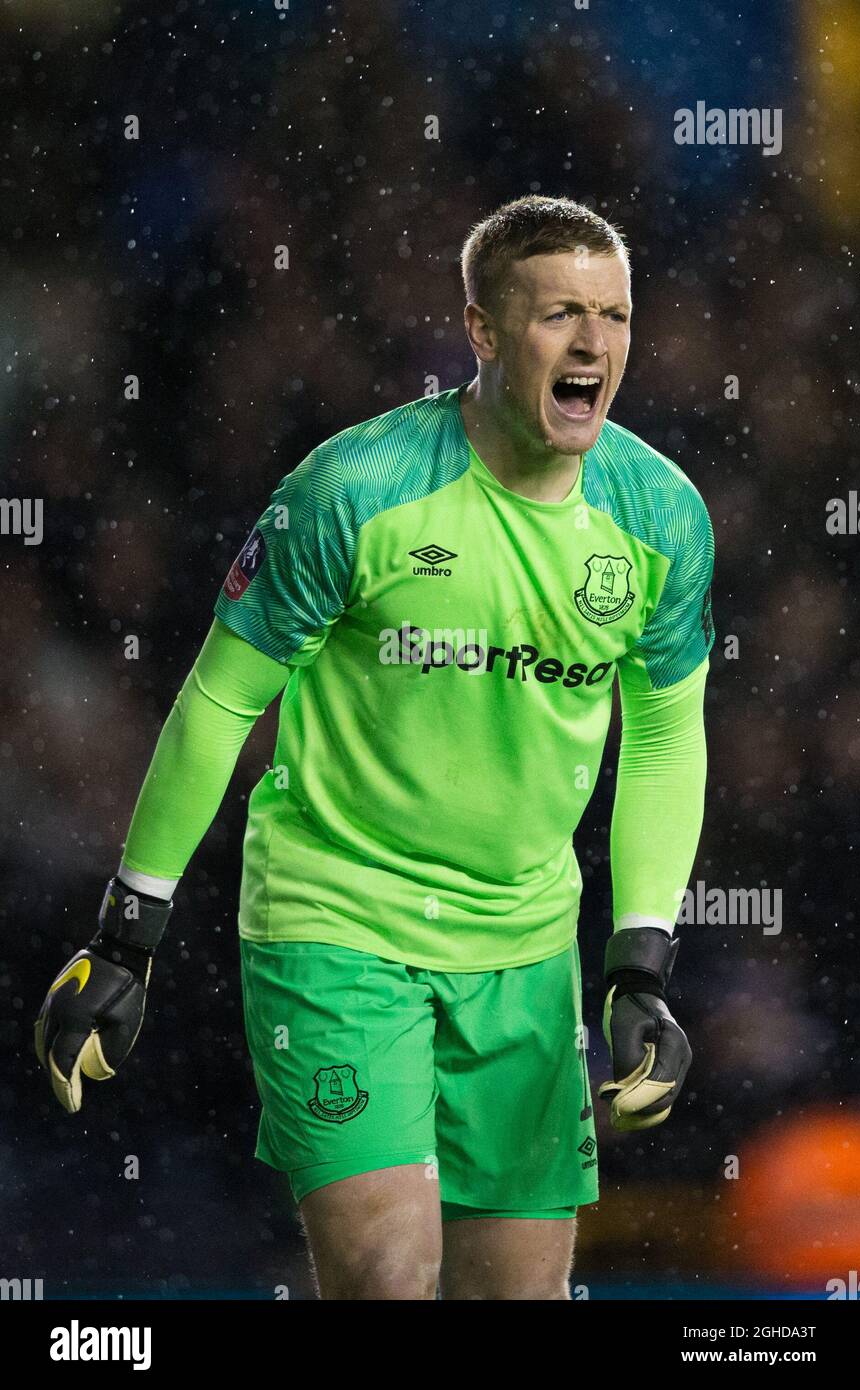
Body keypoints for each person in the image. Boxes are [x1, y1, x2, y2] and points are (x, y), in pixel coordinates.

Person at [35, 194, 714, 1301]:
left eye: (614, 314)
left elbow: (664, 737)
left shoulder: (660, 519)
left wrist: (638, 961)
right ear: (482, 332)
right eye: (557, 315)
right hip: (335, 919)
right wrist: (127, 934)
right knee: (391, 1274)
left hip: (523, 947)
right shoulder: (351, 492)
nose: (593, 343)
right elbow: (215, 703)